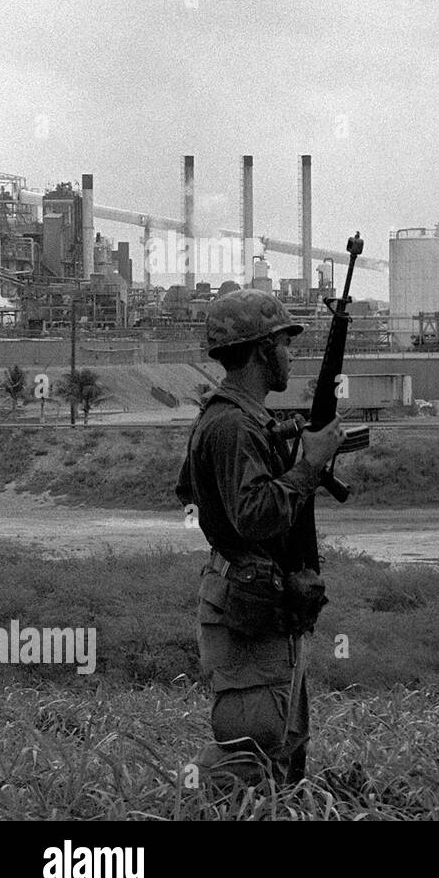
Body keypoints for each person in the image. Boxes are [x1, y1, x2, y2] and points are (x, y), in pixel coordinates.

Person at [175, 288, 344, 786]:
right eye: (285, 344)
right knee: (249, 752)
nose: (290, 355)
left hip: (262, 604)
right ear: (261, 350)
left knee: (282, 748)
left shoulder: (244, 421)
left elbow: (194, 487)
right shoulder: (231, 425)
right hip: (247, 613)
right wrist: (309, 465)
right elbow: (253, 514)